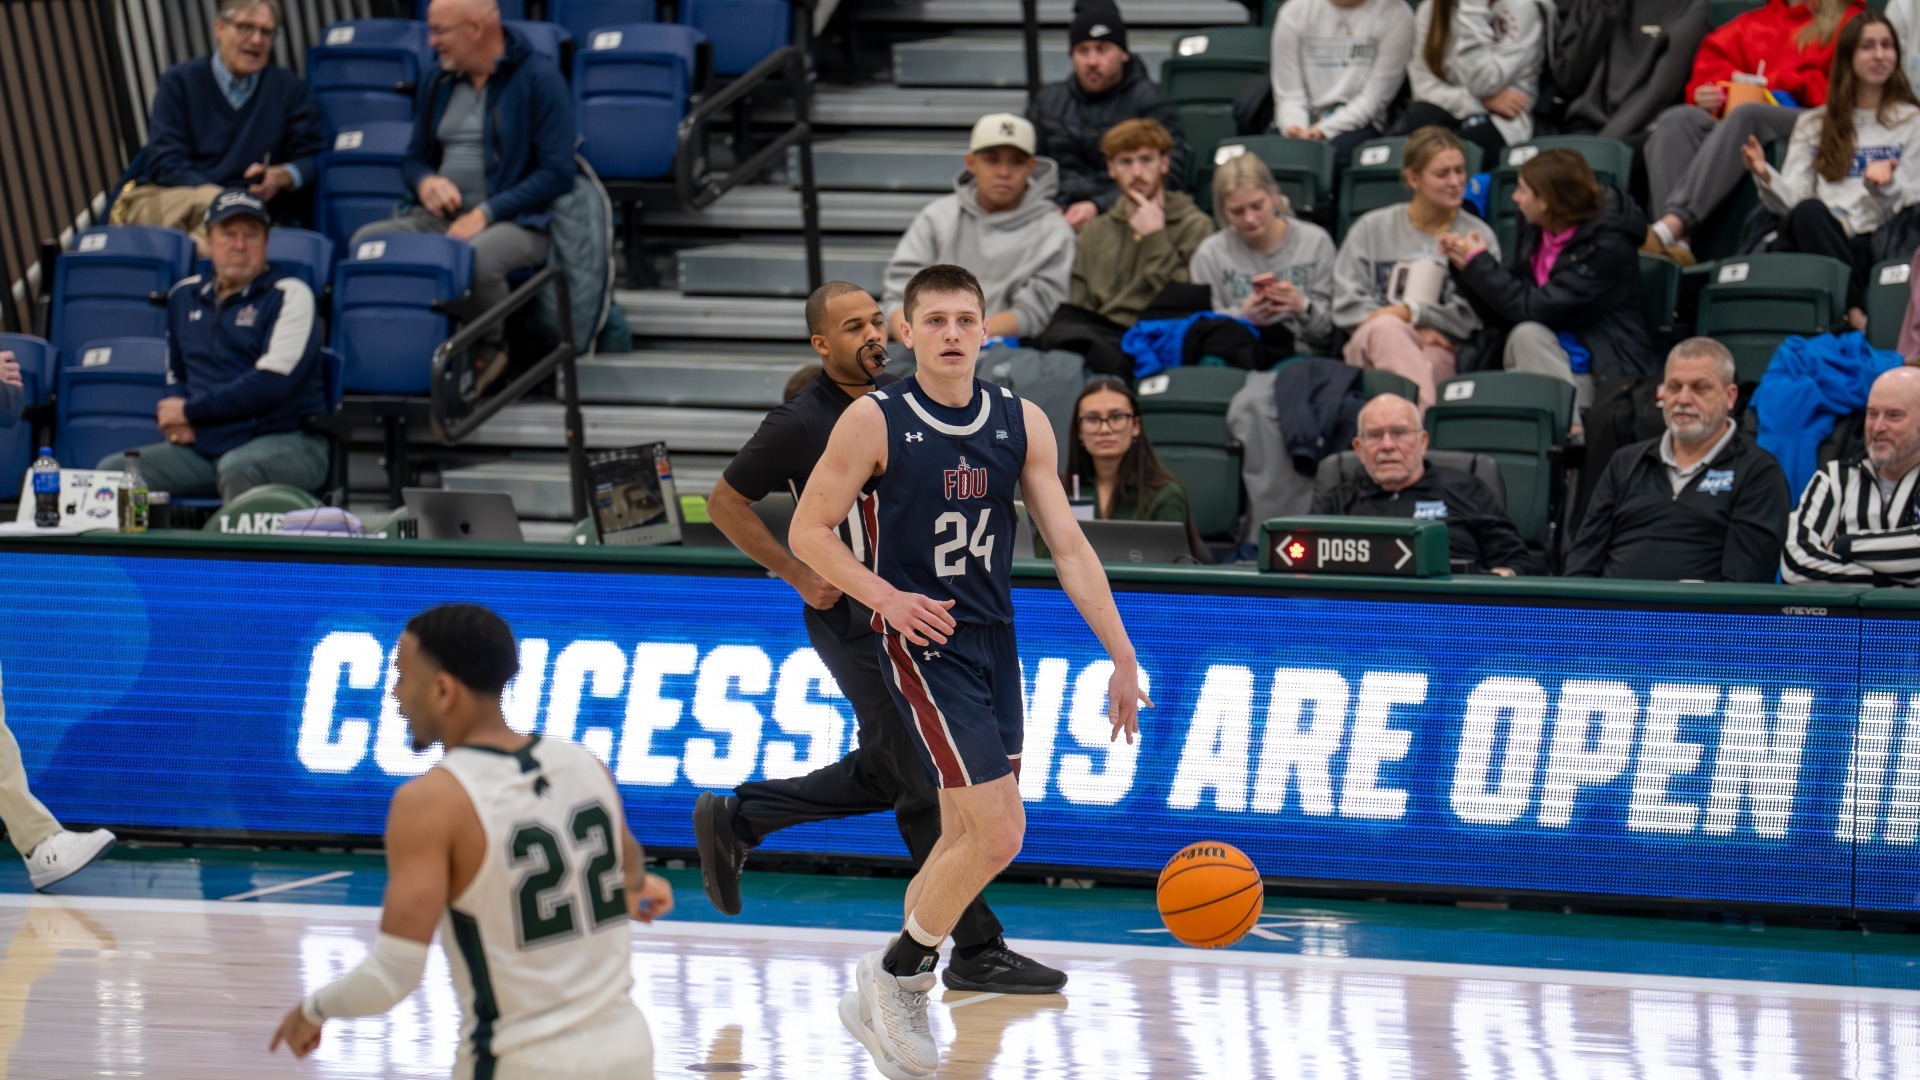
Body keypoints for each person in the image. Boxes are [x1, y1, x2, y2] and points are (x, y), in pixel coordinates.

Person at [789, 264, 1147, 1080]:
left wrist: (1122, 655)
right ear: (907, 333)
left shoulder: (1021, 421)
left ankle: (880, 981)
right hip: (924, 640)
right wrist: (887, 599)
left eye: (966, 318)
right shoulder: (874, 420)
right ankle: (902, 976)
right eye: (935, 319)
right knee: (1001, 830)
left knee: (966, 838)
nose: (952, 332)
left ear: (988, 330)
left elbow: (1069, 547)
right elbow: (809, 531)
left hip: (994, 636)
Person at [694, 281, 1066, 995]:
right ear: (821, 344)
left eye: (875, 321)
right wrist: (797, 572)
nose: (871, 335)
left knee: (905, 766)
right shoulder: (802, 421)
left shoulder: (909, 401)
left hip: (928, 616)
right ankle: (968, 945)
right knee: (923, 777)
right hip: (857, 618)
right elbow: (724, 502)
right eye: (852, 325)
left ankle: (746, 818)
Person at [270, 604, 672, 1077]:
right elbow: (631, 876)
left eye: (402, 677)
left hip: (523, 1061)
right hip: (628, 1050)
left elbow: (391, 974)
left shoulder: (432, 801)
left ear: (443, 690)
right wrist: (634, 889)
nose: (396, 695)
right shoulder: (585, 763)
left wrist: (312, 1009)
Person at [351, 0, 575, 386]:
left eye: (441, 31)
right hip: (441, 218)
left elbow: (557, 173)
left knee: (479, 256)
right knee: (369, 245)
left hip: (520, 221)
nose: (432, 41)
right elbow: (413, 160)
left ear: (476, 27)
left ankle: (491, 347)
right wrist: (425, 182)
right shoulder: (437, 81)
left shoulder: (538, 77)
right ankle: (399, 351)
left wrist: (487, 212)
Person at [97, 189, 327, 501]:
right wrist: (177, 422)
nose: (240, 246)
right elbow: (176, 374)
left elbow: (272, 384)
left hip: (286, 440)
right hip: (206, 443)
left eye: (251, 235)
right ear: (208, 241)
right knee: (115, 472)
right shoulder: (183, 295)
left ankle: (236, 553)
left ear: (266, 243)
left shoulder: (290, 294)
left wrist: (190, 413)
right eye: (228, 234)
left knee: (238, 467)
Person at [1642, 0, 1866, 266]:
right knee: (1677, 120)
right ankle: (1677, 248)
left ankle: (1673, 223)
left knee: (1749, 113)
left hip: (1813, 118)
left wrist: (1778, 91)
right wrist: (1712, 93)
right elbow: (1715, 64)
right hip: (1744, 118)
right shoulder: (1757, 21)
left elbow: (1847, 89)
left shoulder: (1847, 20)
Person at [1741, 12, 1920, 329]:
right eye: (1867, 46)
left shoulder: (1911, 121)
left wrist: (1882, 185)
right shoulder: (1814, 123)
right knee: (1808, 214)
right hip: (1815, 231)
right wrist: (1765, 175)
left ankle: (1848, 317)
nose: (1879, 55)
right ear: (1848, 55)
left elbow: (1909, 201)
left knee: (1817, 226)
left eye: (1887, 45)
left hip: (1874, 241)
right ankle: (1855, 314)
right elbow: (1793, 201)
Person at [1442, 148, 1652, 418]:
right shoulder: (1537, 227)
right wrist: (1465, 267)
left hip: (1599, 371)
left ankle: (1569, 431)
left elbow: (1533, 308)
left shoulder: (1608, 247)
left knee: (1527, 335)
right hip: (1542, 361)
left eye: (1522, 190)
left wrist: (1480, 266)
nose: (1514, 198)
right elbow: (1505, 310)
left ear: (1545, 202)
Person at [1565, 338, 1791, 581]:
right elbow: (1582, 563)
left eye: (1699, 388)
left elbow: (1745, 585)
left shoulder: (1758, 472)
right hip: (1614, 615)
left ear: (1730, 396)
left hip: (1698, 617)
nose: (1683, 399)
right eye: (1674, 387)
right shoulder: (1625, 461)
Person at [111, 0, 322, 244]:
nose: (256, 40)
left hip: (248, 211)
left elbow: (312, 158)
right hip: (185, 201)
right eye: (245, 27)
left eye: (266, 32)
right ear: (219, 28)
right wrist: (222, 198)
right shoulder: (179, 83)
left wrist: (281, 176)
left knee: (233, 231)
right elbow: (165, 162)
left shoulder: (290, 90)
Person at [1334, 126, 1501, 408]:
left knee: (1431, 365)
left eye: (1460, 171)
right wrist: (1407, 326)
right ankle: (1419, 432)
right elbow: (1345, 305)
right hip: (1370, 343)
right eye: (1442, 173)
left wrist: (1414, 314)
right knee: (1387, 329)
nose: (1456, 181)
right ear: (1413, 178)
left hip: (1441, 348)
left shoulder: (1477, 236)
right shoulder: (1371, 228)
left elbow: (1474, 316)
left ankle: (1408, 434)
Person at [1039, 118, 1213, 377]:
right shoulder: (1095, 231)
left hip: (1164, 335)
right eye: (1126, 162)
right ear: (1111, 169)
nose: (1137, 172)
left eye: (1146, 160)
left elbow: (1184, 302)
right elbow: (1080, 302)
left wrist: (1155, 237)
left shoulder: (1194, 225)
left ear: (1164, 164)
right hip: (1100, 337)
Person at [881, 114, 1074, 343]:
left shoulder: (1053, 231)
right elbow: (898, 296)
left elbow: (1035, 312)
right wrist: (914, 341)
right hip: (924, 347)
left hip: (1007, 353)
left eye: (1017, 162)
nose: (1004, 172)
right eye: (992, 159)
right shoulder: (937, 217)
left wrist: (962, 340)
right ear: (970, 162)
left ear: (1031, 167)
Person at [1312, 394, 1536, 574]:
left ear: (1422, 442)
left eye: (1399, 433)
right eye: (1375, 435)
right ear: (1359, 448)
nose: (1387, 445)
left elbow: (1517, 562)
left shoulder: (1467, 490)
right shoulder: (1335, 502)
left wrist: (1503, 576)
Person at [1027, 0, 1190, 233]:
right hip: (1054, 219)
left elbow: (1170, 173)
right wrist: (1048, 207)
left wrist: (1098, 206)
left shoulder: (1150, 101)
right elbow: (1029, 168)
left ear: (1123, 53)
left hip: (1127, 219)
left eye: (1102, 49)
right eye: (1083, 51)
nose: (1092, 61)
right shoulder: (1047, 102)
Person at [1036, 378, 1206, 559]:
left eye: (1116, 417)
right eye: (1092, 419)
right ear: (1079, 431)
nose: (1104, 428)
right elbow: (1043, 562)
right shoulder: (1059, 491)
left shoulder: (1165, 494)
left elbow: (1169, 571)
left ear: (1136, 426)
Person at [1187, 154, 1337, 358]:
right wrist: (1244, 317)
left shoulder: (1315, 242)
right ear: (1223, 211)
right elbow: (1201, 328)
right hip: (1236, 352)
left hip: (1301, 353)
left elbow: (1330, 331)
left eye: (1257, 206)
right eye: (1238, 212)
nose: (1250, 219)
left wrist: (1302, 307)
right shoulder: (1210, 254)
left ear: (1274, 196)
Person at [1782, 365, 1920, 583]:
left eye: (1894, 416)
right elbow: (1795, 562)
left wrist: (1844, 546)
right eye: (1872, 414)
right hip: (1846, 618)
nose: (1877, 427)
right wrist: (1889, 583)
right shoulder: (1835, 477)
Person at [1270, 0, 1417, 172]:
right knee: (1274, 158)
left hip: (1360, 124)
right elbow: (1289, 94)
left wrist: (1322, 130)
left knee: (1331, 159)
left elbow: (1373, 99)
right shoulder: (1294, 11)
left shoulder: (1397, 14)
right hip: (1303, 120)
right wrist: (1295, 129)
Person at [1404, 0, 1550, 158]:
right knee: (1420, 118)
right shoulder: (1430, 9)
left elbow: (1484, 83)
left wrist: (1473, 8)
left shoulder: (1520, 8)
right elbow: (1423, 87)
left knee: (1460, 150)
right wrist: (1480, 102)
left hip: (1504, 120)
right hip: (1453, 109)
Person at [1553, 0, 1712, 142]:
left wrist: (1605, 145)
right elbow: (1569, 78)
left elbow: (1660, 92)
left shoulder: (1689, 7)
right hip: (1585, 124)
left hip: (1640, 130)